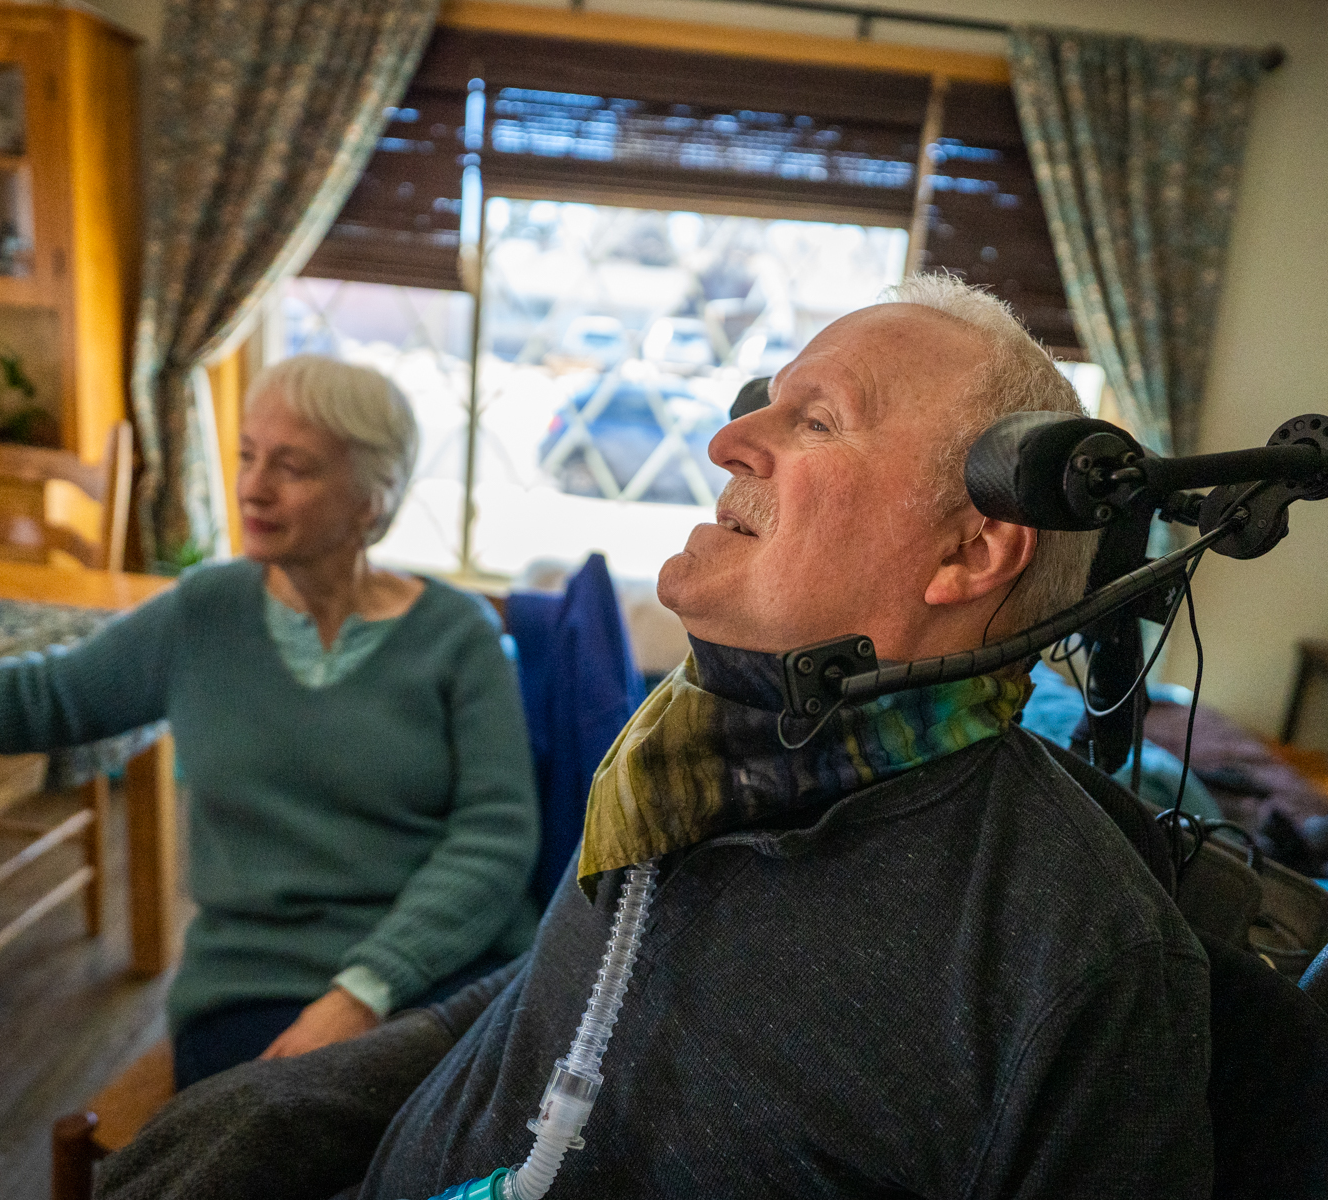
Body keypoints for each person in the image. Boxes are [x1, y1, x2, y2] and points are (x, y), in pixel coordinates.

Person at [98, 275, 1212, 1200]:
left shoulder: (1079, 964)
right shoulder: (688, 762)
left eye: (815, 419)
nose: (728, 439)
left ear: (970, 555)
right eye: (761, 402)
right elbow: (556, 1006)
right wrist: (298, 1100)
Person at [0, 355, 541, 1089]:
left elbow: (497, 832)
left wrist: (364, 992)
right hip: (258, 980)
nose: (254, 487)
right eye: (247, 456)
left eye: (294, 467)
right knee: (287, 1142)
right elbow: (41, 697)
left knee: (470, 1148)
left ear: (372, 497)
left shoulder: (458, 635)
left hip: (444, 966)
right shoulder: (204, 613)